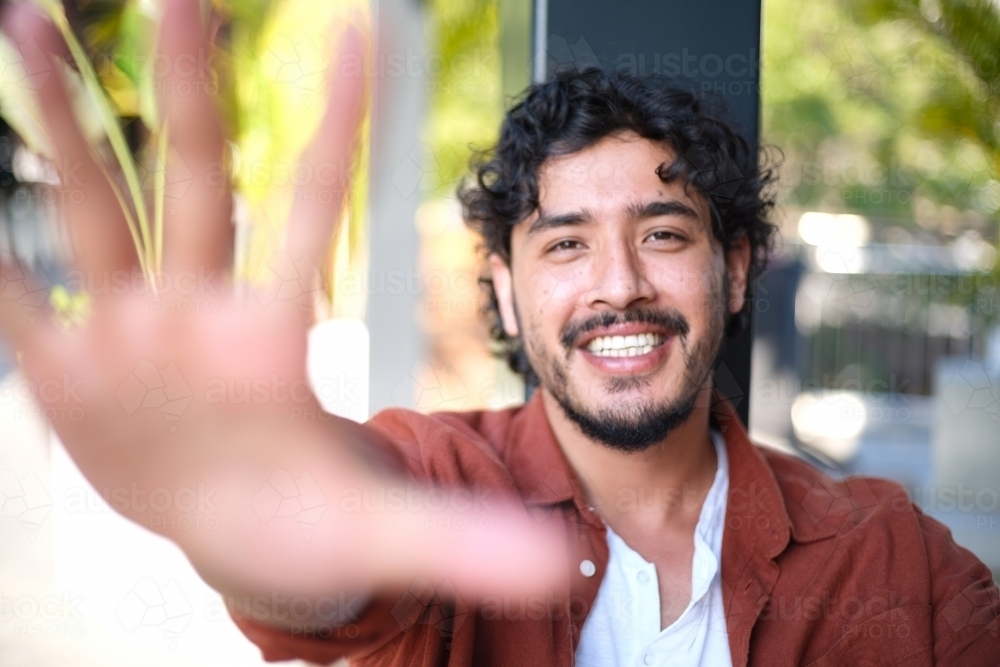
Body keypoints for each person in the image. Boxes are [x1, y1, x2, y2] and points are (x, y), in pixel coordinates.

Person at [0, 2, 996, 666]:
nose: (618, 286)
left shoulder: (892, 561)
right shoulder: (436, 478)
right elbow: (343, 549)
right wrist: (230, 505)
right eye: (564, 246)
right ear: (507, 295)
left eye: (662, 234)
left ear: (734, 271)